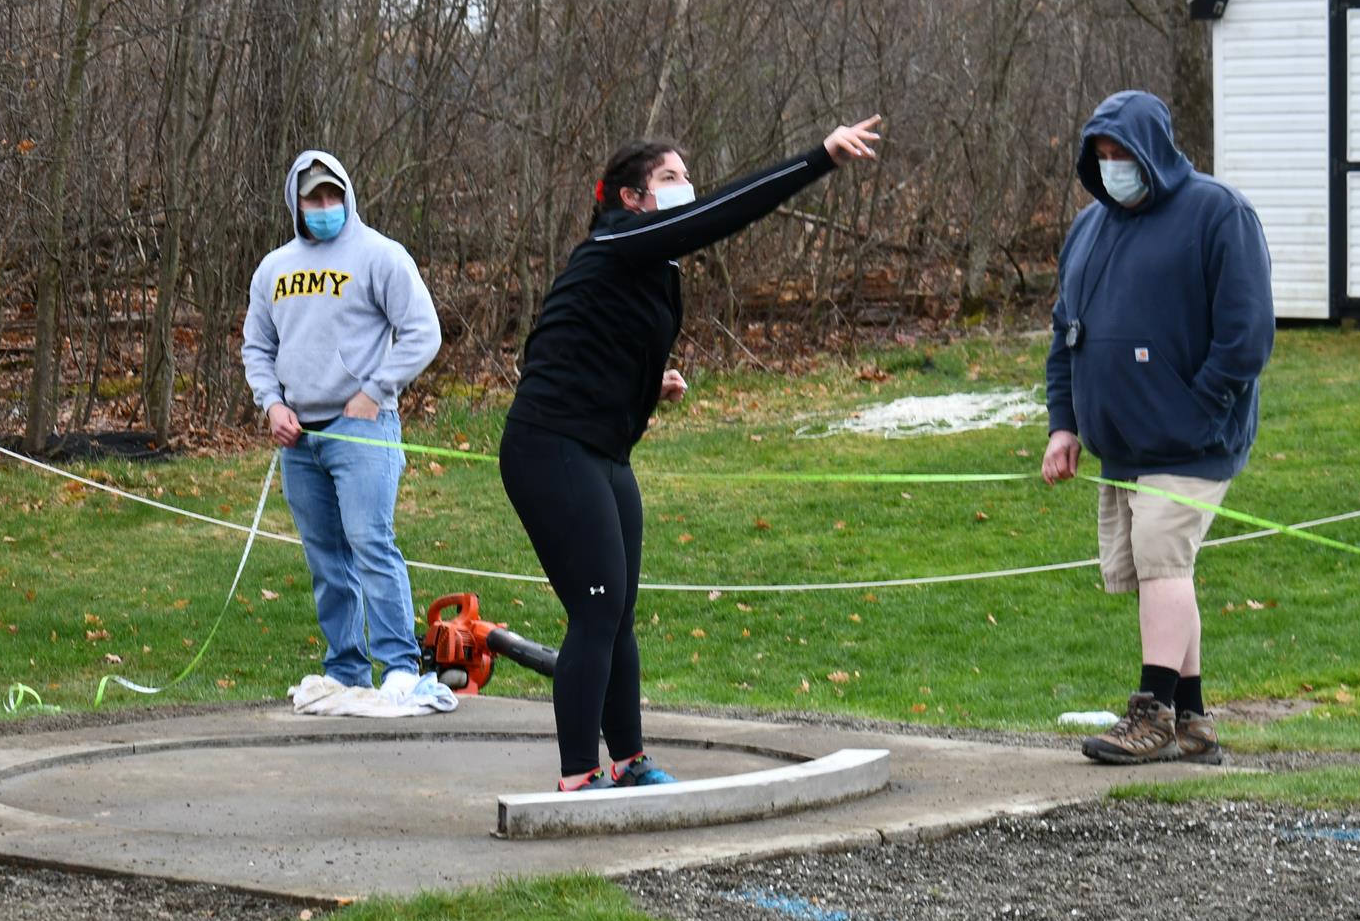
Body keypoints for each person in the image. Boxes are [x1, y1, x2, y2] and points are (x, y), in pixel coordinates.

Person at [503, 116, 883, 791]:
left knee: (618, 610)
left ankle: (628, 760)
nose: (687, 187)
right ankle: (576, 779)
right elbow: (720, 216)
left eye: (687, 175)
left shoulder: (651, 269)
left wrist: (648, 383)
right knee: (595, 607)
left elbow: (578, 339)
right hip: (551, 445)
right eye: (670, 179)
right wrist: (815, 159)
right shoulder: (618, 240)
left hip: (605, 451)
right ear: (630, 198)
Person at [1041, 90, 1273, 766]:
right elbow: (1067, 336)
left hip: (1193, 443)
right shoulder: (1088, 230)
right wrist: (1065, 425)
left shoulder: (1217, 213)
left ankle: (1152, 711)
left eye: (1123, 154)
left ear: (1155, 151)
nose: (1113, 166)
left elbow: (1247, 334)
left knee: (1162, 557)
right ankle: (1194, 716)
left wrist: (1199, 408)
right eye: (1102, 156)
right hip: (1124, 447)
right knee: (1157, 569)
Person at [243, 149, 442, 690]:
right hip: (298, 437)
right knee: (326, 559)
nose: (325, 206)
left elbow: (424, 332)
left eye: (333, 195)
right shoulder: (274, 268)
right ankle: (346, 671)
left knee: (370, 544)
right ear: (297, 203)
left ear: (347, 196)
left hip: (363, 430)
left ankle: (402, 667)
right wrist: (272, 404)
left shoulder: (381, 255)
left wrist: (376, 390)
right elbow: (256, 346)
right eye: (314, 198)